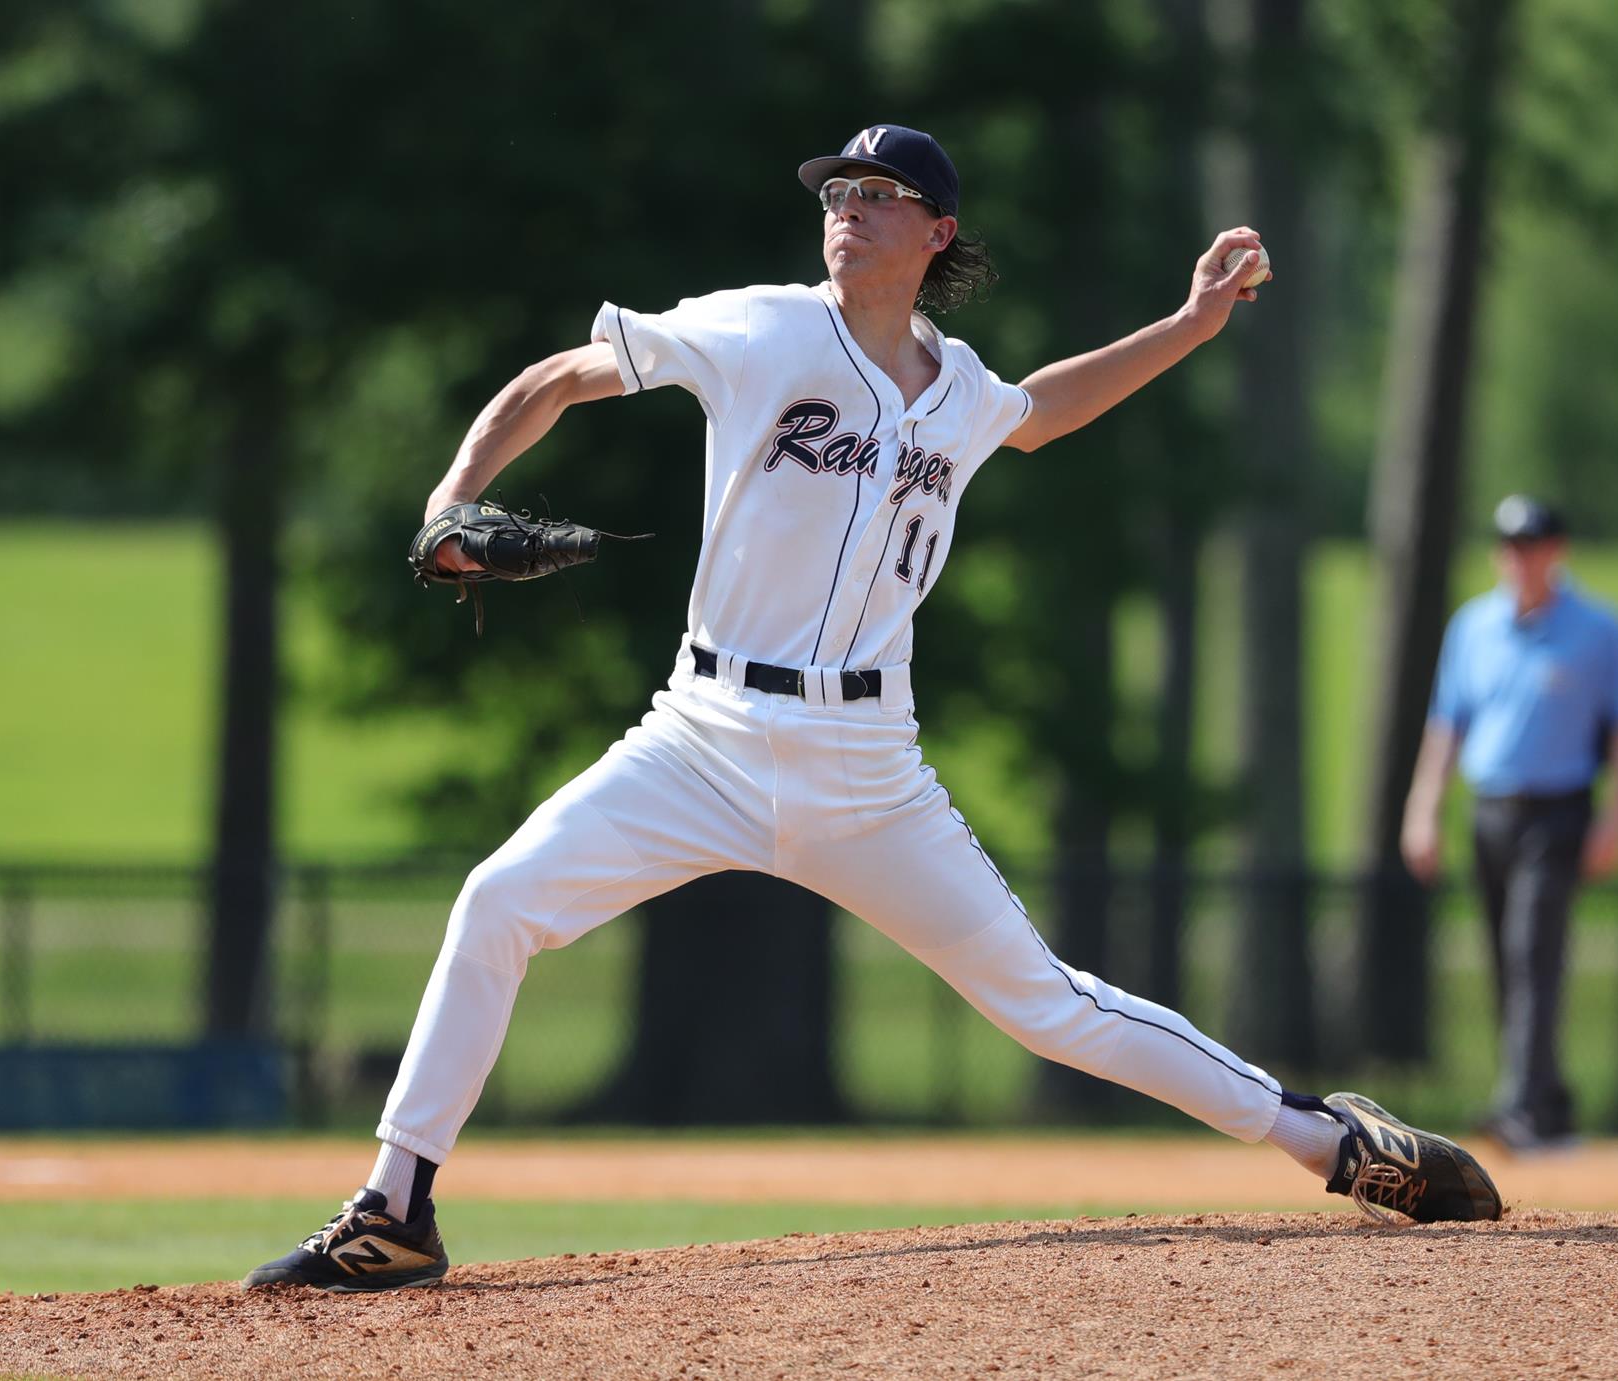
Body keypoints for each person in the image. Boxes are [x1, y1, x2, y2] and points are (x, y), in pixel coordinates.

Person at [245, 124, 1501, 1293]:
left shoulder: (955, 392)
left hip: (867, 765)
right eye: (835, 194)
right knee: (499, 901)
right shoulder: (762, 329)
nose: (845, 210)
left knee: (1047, 1005)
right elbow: (565, 375)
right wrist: (452, 494)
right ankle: (396, 1208)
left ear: (935, 232)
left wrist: (1189, 321)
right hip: (702, 736)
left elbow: (1044, 411)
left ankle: (1325, 1141)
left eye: (876, 195)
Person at [1400, 495, 1618, 1150]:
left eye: (1533, 544)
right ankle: (1551, 1098)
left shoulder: (1599, 630)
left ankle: (1519, 1104)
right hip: (1491, 809)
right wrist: (1423, 807)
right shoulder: (1473, 627)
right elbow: (1446, 723)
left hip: (1560, 808)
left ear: (1557, 551)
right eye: (1511, 545)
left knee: (1531, 948)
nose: (1521, 557)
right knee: (1506, 960)